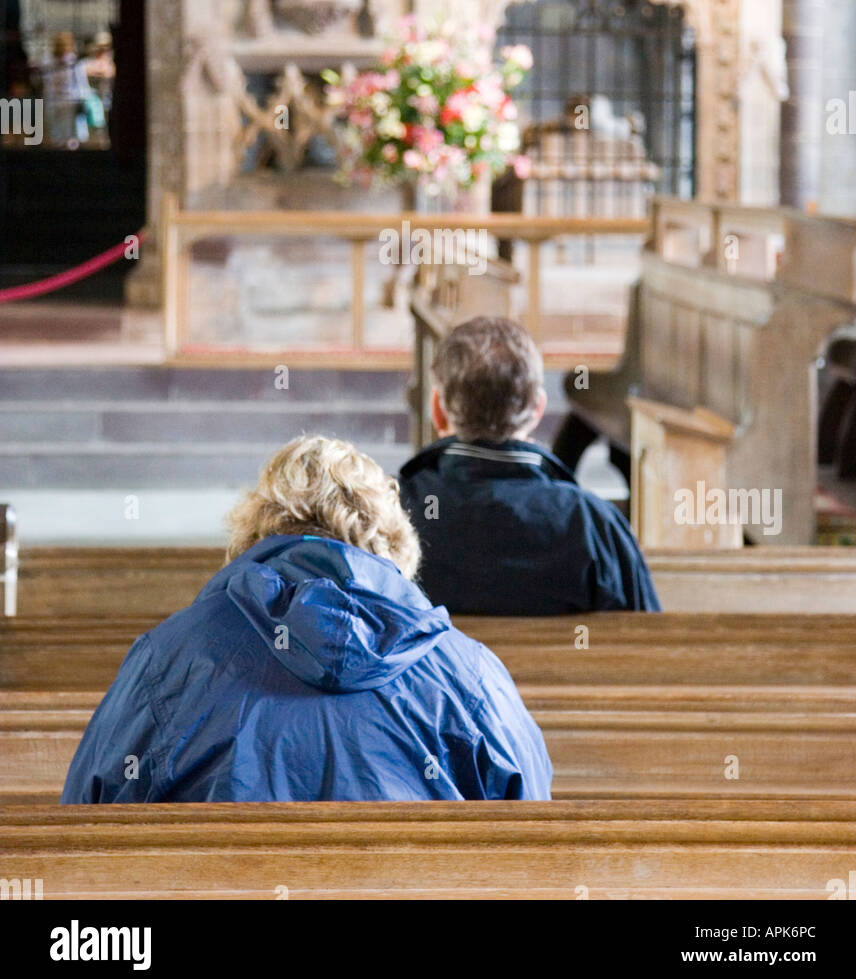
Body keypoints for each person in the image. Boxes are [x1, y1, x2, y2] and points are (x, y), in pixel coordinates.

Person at [61, 435, 552, 804]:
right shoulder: (469, 674)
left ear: (253, 532)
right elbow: (538, 847)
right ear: (394, 544)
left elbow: (85, 824)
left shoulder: (167, 660)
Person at [399, 316, 661, 615]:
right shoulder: (594, 525)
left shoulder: (390, 515)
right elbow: (649, 639)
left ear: (438, 410)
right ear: (538, 409)